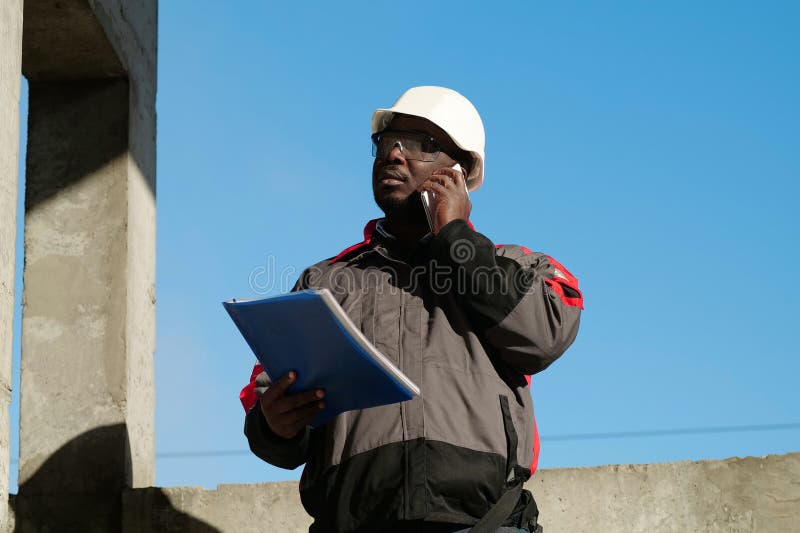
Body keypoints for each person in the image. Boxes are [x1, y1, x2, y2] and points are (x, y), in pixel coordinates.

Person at [240, 86, 583, 533]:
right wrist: (273, 424)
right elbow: (267, 405)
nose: (394, 155)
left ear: (458, 174)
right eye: (386, 143)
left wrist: (457, 239)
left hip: (484, 524)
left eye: (422, 145)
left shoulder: (519, 266)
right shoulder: (323, 283)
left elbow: (548, 332)